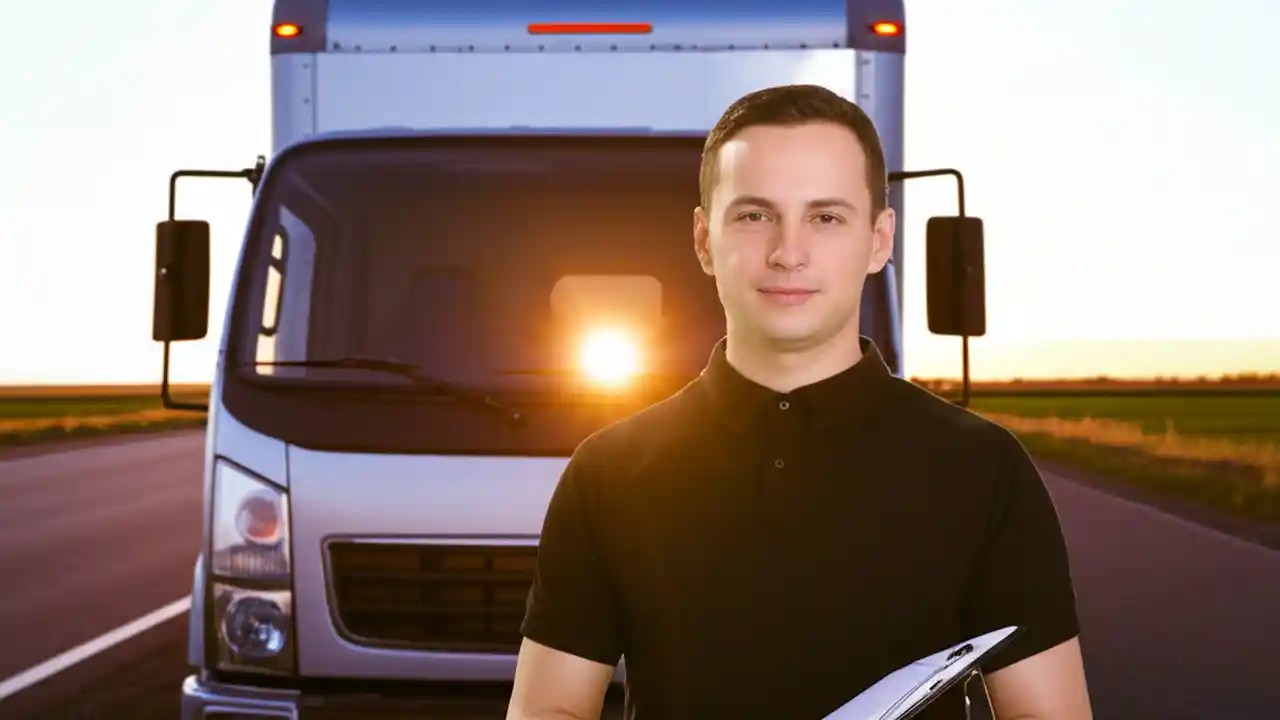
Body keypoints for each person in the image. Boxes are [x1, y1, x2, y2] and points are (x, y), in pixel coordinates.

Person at [506, 84, 1093, 719]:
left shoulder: (985, 469)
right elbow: (550, 708)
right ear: (705, 240)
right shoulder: (608, 472)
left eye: (826, 217)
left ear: (879, 239)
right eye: (755, 215)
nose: (788, 253)